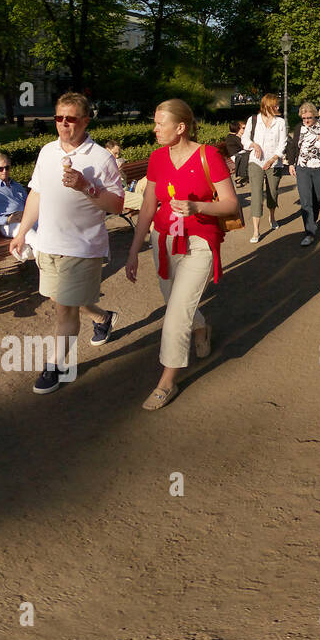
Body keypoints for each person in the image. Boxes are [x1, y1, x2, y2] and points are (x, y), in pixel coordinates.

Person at [8, 92, 128, 393]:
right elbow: (36, 193)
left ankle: (56, 367)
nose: (63, 124)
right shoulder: (47, 151)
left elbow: (117, 205)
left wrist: (86, 186)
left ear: (85, 121)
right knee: (59, 298)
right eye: (58, 118)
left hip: (82, 246)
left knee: (65, 309)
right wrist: (22, 232)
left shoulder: (101, 158)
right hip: (48, 243)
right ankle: (103, 317)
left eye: (70, 119)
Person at [124, 98, 239, 411]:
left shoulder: (208, 155)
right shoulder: (157, 157)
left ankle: (167, 381)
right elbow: (149, 205)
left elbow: (231, 203)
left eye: (160, 123)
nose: (155, 129)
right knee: (174, 301)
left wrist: (197, 206)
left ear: (181, 127)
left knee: (176, 314)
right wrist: (133, 250)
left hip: (199, 242)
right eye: (155, 123)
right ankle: (201, 327)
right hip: (163, 240)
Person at [237, 96, 288, 244]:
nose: (278, 108)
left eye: (278, 105)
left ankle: (272, 217)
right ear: (267, 106)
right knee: (256, 194)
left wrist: (273, 159)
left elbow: (283, 143)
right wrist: (254, 145)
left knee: (272, 192)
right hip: (256, 161)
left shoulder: (280, 122)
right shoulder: (253, 120)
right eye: (275, 106)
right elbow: (244, 139)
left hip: (274, 162)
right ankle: (256, 230)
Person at [290, 100, 320, 248]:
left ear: (315, 115)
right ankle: (309, 232)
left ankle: (312, 221)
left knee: (317, 198)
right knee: (305, 200)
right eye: (304, 118)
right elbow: (293, 147)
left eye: (309, 118)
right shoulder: (299, 128)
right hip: (302, 168)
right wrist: (291, 164)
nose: (306, 121)